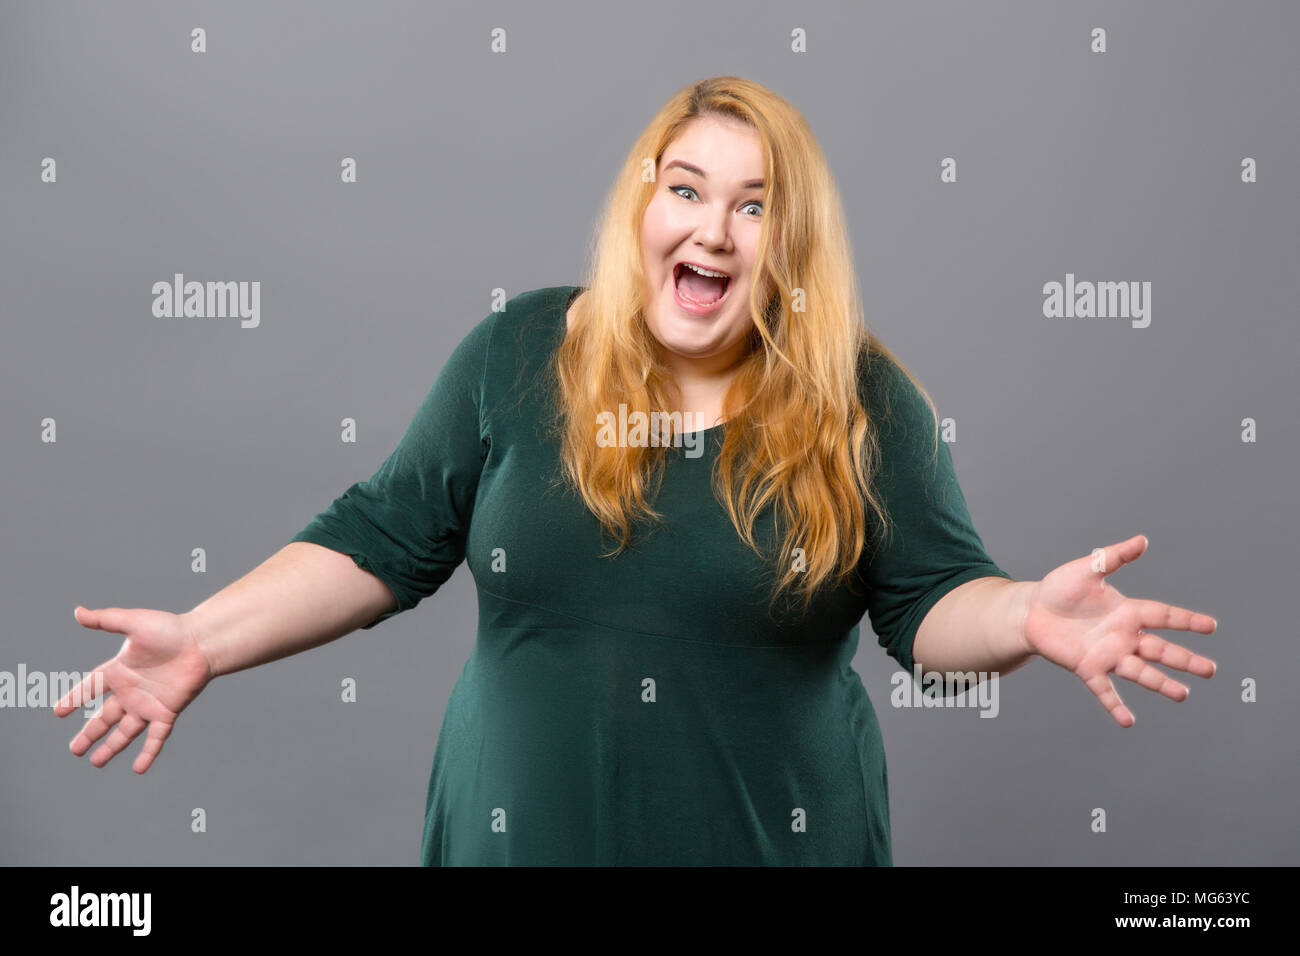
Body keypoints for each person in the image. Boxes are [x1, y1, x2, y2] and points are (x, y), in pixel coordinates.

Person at [55, 76, 1219, 866]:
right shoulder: (518, 352)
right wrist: (203, 637)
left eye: (756, 206)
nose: (714, 230)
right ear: (644, 201)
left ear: (791, 244)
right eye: (689, 190)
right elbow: (382, 536)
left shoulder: (863, 399)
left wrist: (1029, 614)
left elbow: (929, 607)